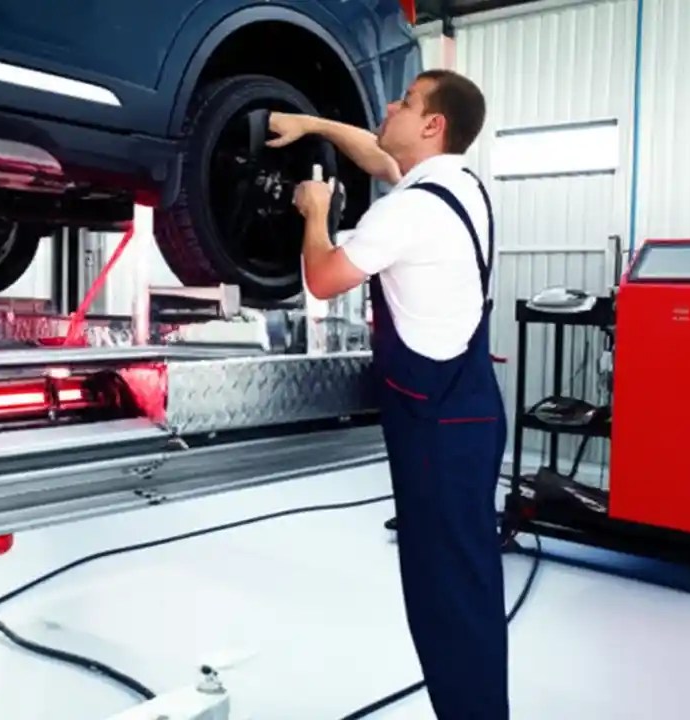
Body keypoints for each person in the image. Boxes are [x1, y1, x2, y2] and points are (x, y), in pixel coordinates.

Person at [268, 69, 508, 719]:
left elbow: (322, 278)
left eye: (406, 102)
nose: (390, 107)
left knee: (446, 599)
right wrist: (314, 127)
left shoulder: (407, 210)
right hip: (469, 410)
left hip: (435, 424)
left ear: (433, 125)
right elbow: (376, 152)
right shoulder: (457, 184)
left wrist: (315, 214)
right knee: (464, 588)